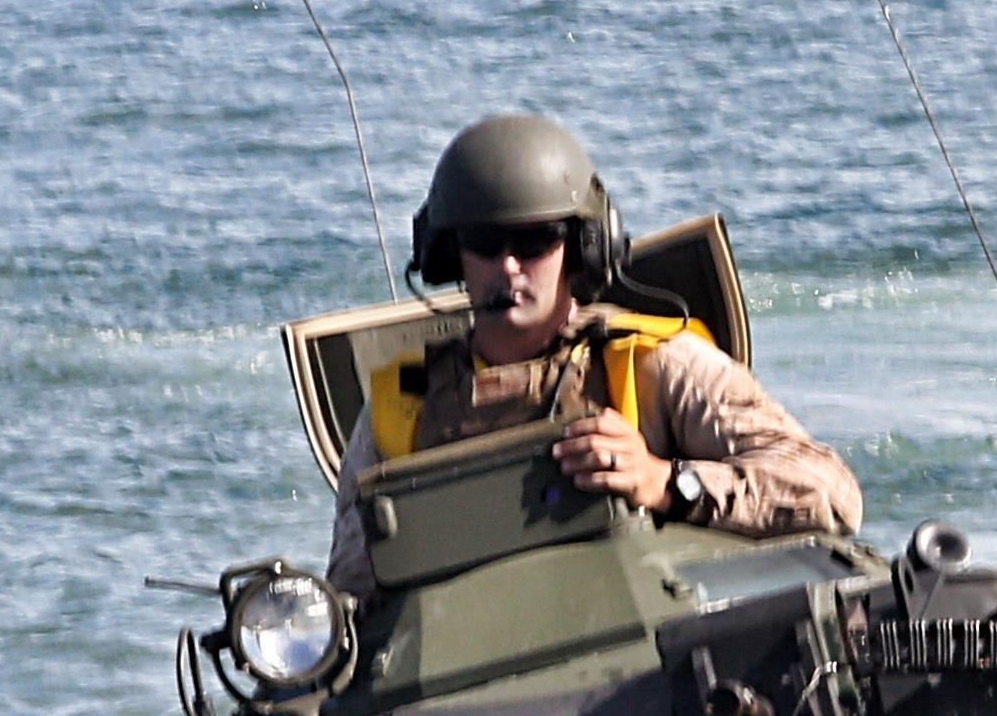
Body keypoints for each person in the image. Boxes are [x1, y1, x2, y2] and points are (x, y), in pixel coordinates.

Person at [325, 111, 860, 584]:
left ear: (583, 246)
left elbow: (831, 493)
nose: (508, 266)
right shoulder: (403, 404)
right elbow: (352, 583)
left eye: (535, 241)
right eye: (485, 245)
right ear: (449, 257)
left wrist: (668, 482)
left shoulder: (651, 365)